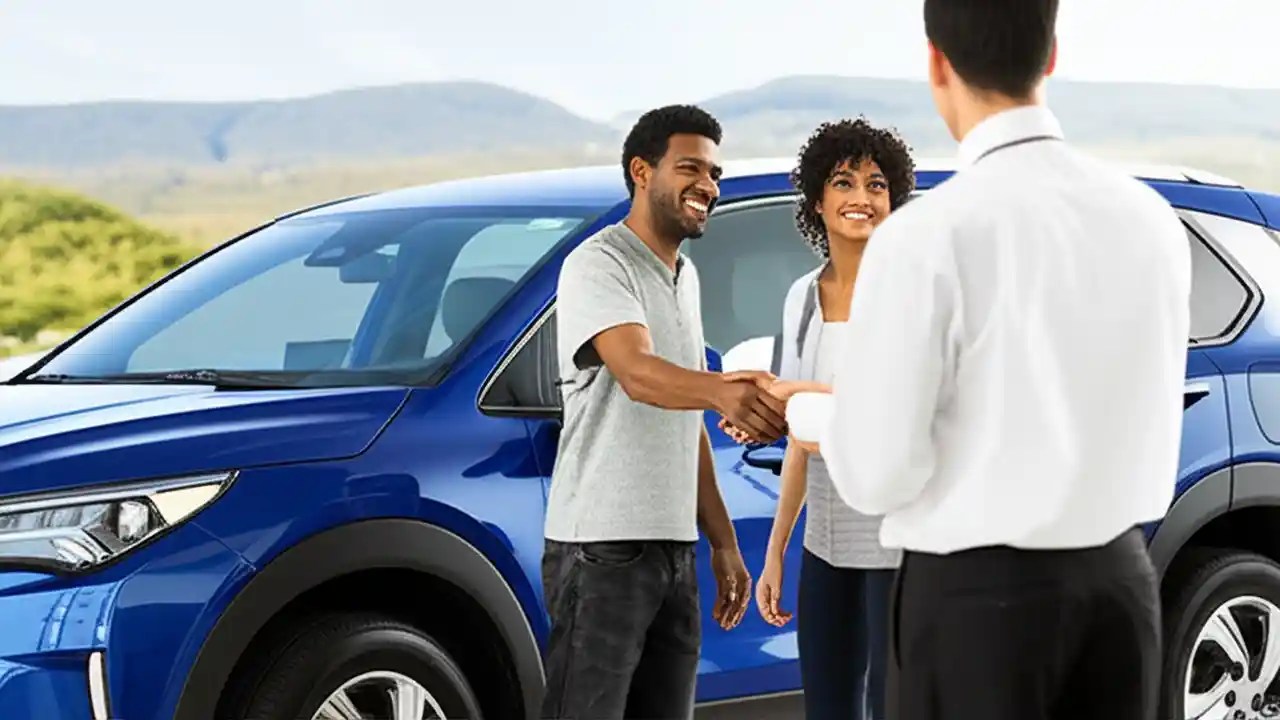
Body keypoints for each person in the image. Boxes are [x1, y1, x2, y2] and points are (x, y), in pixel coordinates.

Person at [780, 1, 1192, 718]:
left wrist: (805, 407)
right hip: (1123, 591)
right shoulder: (1150, 220)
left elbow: (879, 474)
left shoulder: (924, 239)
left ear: (937, 63)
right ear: (1052, 53)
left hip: (975, 608)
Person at [539, 104, 789, 720]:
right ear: (641, 171)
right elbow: (638, 373)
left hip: (673, 550)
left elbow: (684, 413)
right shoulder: (600, 264)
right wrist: (722, 390)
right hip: (603, 549)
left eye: (715, 173)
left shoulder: (685, 275)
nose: (707, 185)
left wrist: (723, 542)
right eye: (690, 169)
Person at [751, 117, 915, 720]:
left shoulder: (909, 293)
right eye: (844, 182)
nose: (861, 198)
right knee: (828, 707)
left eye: (876, 184)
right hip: (827, 543)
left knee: (892, 707)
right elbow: (803, 430)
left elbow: (900, 408)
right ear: (817, 200)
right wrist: (776, 551)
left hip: (896, 544)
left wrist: (803, 395)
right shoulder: (801, 299)